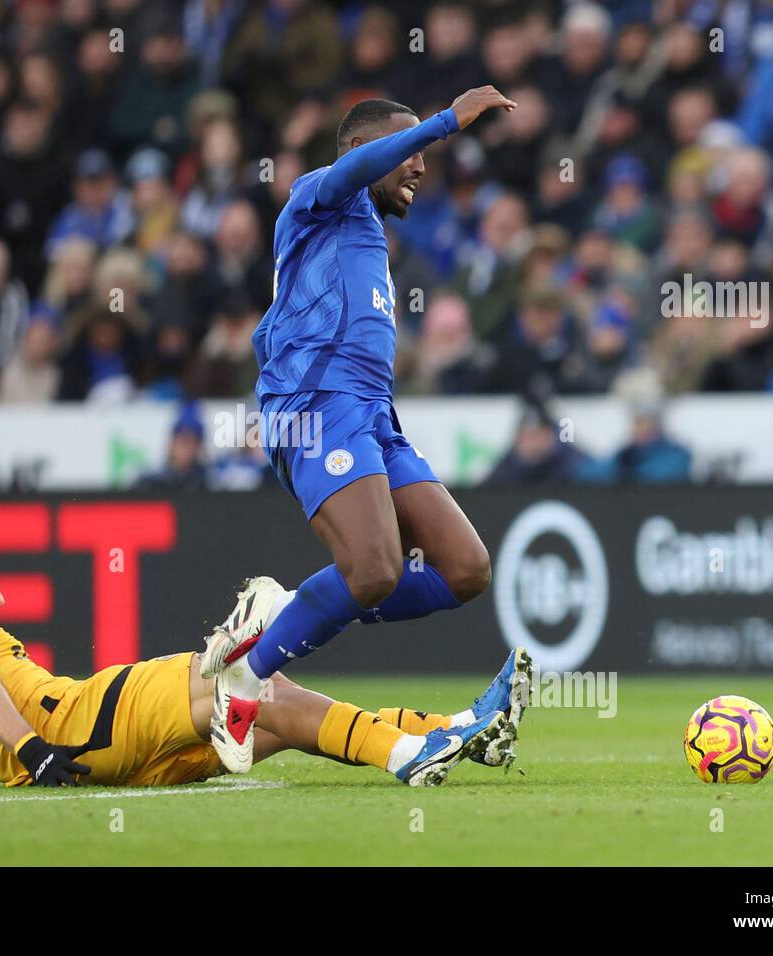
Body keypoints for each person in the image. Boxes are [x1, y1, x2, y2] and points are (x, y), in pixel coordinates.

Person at [204, 88, 518, 773]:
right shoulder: (320, 195)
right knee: (372, 570)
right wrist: (442, 123)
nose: (419, 167)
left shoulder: (369, 233)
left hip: (374, 413)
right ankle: (245, 679)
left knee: (466, 569)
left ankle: (284, 608)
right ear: (361, 152)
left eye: (423, 153)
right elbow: (353, 171)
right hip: (315, 407)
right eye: (406, 153)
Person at [0, 537, 532, 791]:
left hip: (105, 767)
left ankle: (458, 729)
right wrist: (35, 748)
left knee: (280, 721)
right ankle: (259, 627)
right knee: (259, 686)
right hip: (82, 720)